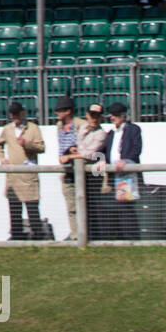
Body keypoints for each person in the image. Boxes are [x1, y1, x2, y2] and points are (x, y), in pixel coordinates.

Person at [0, 100, 46, 241]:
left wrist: (27, 144)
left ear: (23, 113)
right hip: (13, 175)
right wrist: (2, 159)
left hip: (29, 174)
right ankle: (16, 235)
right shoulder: (7, 129)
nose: (15, 116)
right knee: (14, 208)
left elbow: (41, 147)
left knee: (32, 207)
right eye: (12, 113)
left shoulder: (33, 128)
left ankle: (38, 235)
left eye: (17, 113)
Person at [99, 102, 143, 242]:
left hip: (126, 175)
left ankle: (131, 239)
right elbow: (104, 151)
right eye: (111, 115)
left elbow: (136, 149)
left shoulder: (133, 129)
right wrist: (101, 160)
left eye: (116, 115)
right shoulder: (111, 134)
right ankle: (118, 237)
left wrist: (127, 160)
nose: (113, 118)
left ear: (123, 116)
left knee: (126, 207)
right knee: (116, 208)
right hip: (113, 175)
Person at [53, 95, 85, 239]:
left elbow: (88, 147)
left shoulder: (80, 125)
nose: (57, 113)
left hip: (79, 170)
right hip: (66, 171)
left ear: (68, 111)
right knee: (71, 206)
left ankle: (85, 233)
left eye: (60, 110)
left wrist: (73, 151)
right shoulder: (59, 126)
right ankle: (75, 235)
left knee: (83, 204)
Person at [76, 102, 110, 239]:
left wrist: (74, 154)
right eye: (92, 116)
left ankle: (96, 236)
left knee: (94, 205)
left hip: (95, 174)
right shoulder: (83, 129)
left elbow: (90, 154)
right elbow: (80, 147)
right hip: (81, 173)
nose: (94, 119)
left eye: (97, 116)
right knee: (82, 204)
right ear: (87, 116)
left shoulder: (101, 133)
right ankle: (84, 234)